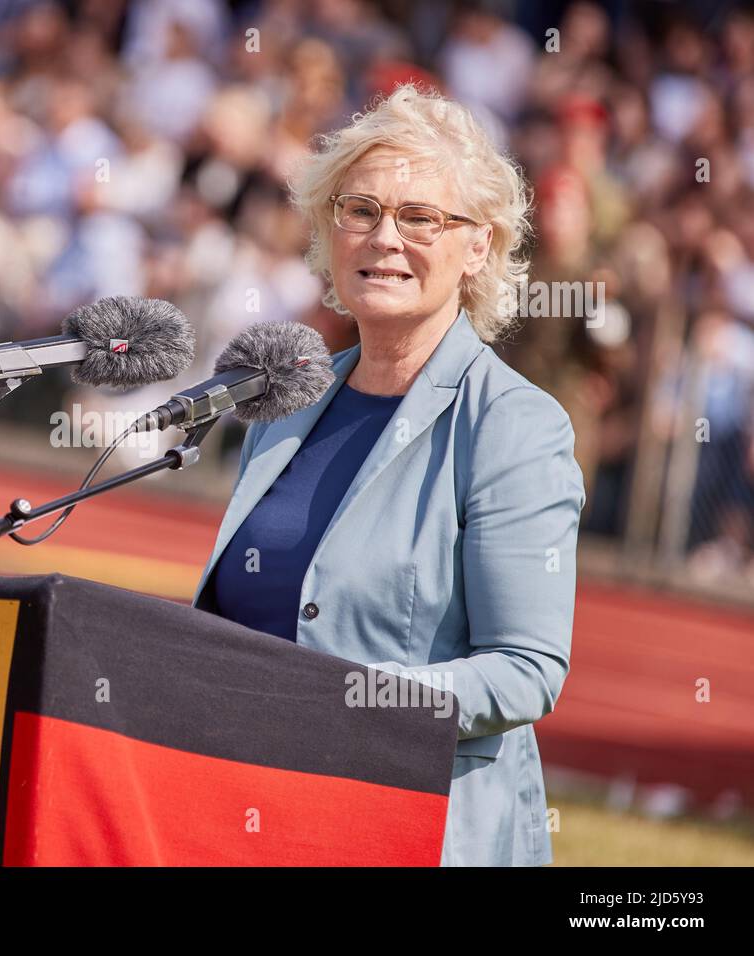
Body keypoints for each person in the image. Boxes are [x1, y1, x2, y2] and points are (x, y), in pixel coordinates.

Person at [192, 84, 586, 866]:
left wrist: (346, 699)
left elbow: (525, 672)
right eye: (359, 210)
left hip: (411, 829)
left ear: (479, 247)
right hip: (254, 818)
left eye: (420, 218)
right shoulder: (288, 400)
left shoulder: (513, 424)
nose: (384, 238)